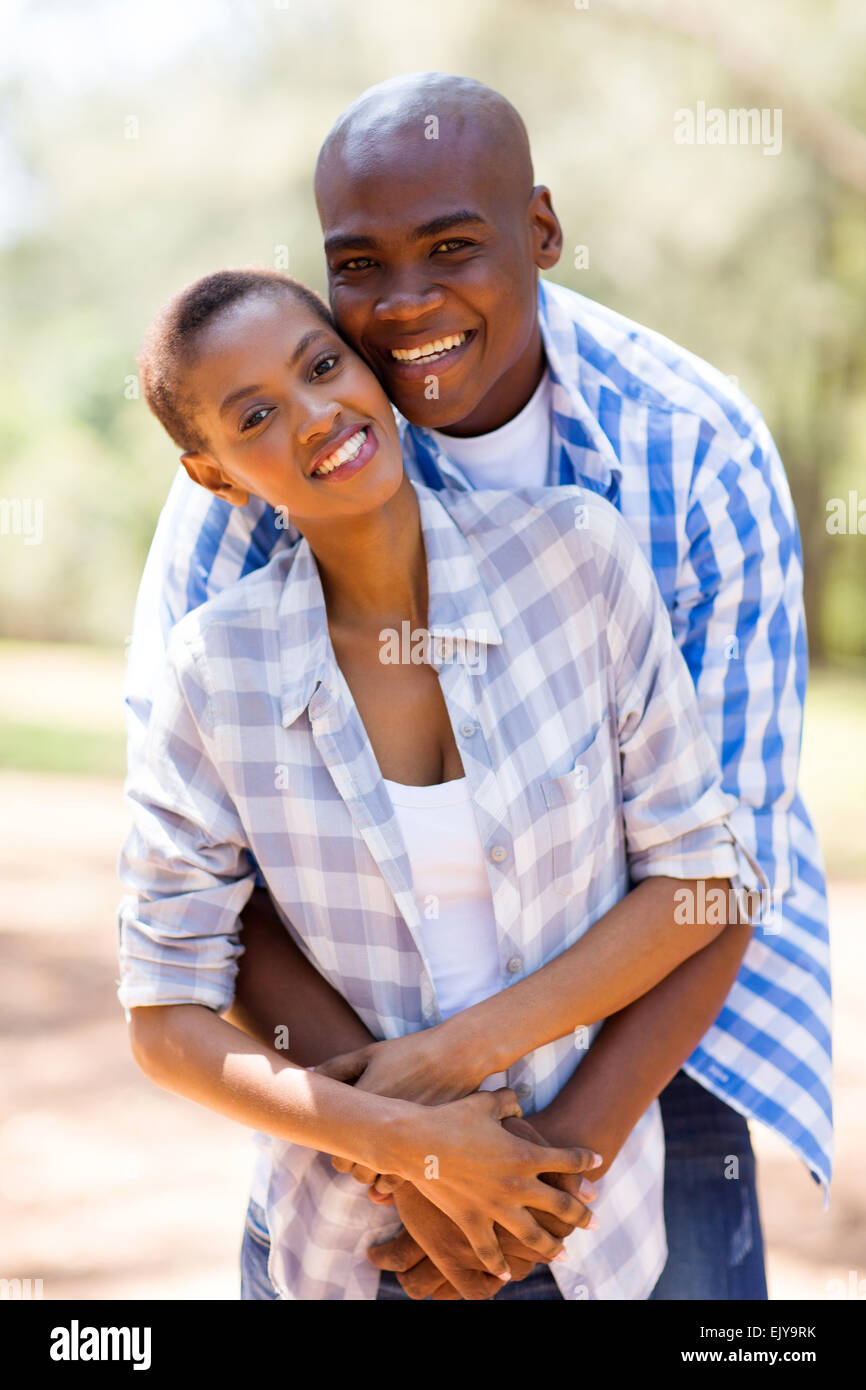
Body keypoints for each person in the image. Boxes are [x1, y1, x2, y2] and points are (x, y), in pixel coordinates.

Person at [124, 74, 831, 1301]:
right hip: (359, 1102)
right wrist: (417, 1155)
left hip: (652, 1049)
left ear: (541, 232)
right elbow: (202, 904)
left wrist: (542, 1167)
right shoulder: (239, 524)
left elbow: (724, 861)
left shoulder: (680, 458)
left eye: (452, 248)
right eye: (360, 268)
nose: (405, 307)